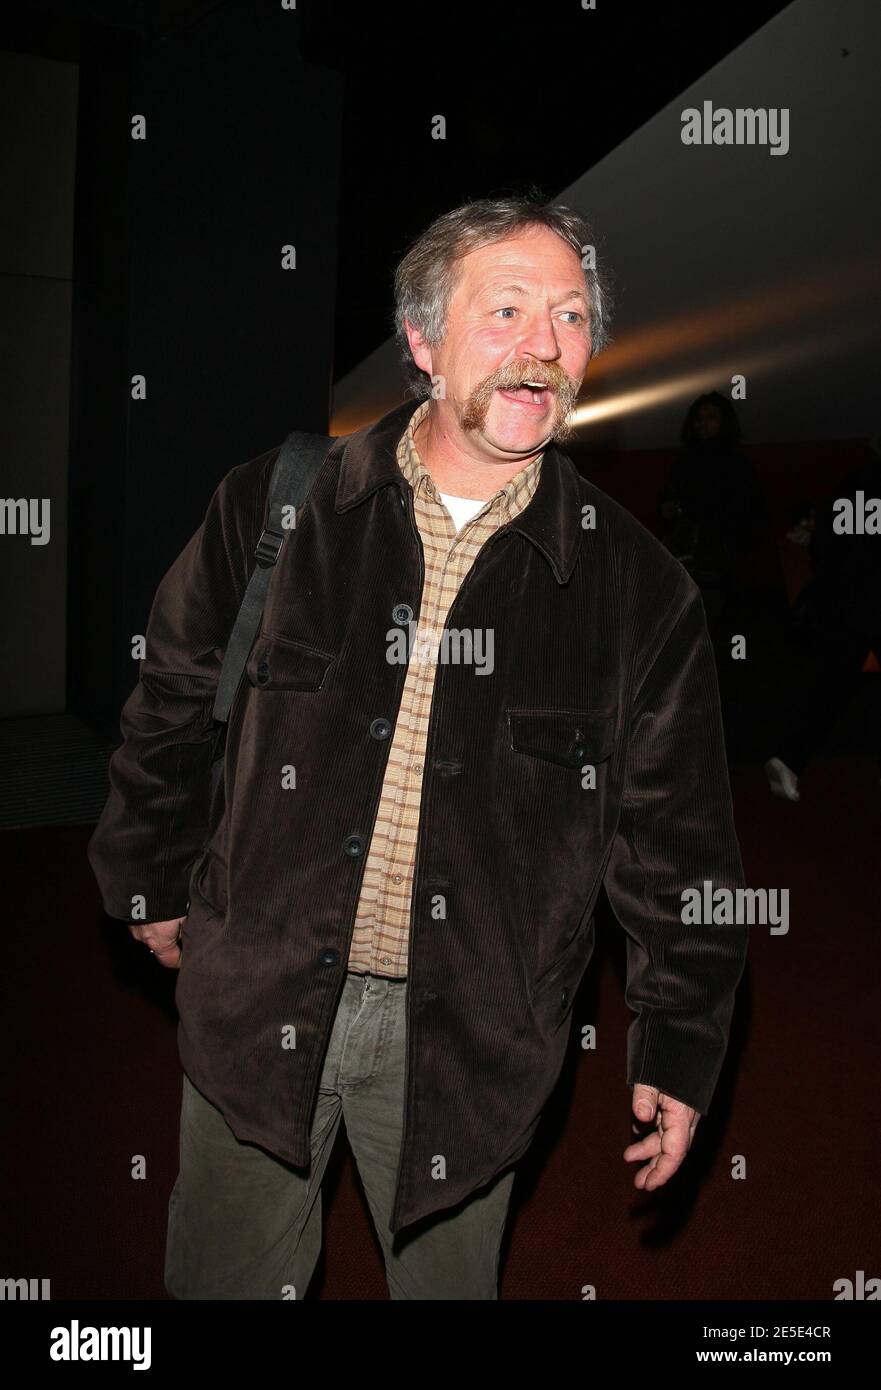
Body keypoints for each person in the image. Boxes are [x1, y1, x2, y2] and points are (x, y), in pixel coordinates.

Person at [87, 195, 750, 1301]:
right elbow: (171, 694)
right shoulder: (278, 507)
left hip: (473, 1042)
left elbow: (677, 846)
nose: (543, 344)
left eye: (571, 316)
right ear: (422, 344)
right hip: (259, 996)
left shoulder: (638, 591)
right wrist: (149, 873)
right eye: (505, 310)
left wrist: (680, 1046)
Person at [764, 438, 881, 801]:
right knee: (835, 684)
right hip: (863, 598)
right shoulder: (865, 484)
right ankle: (788, 760)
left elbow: (829, 545)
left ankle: (788, 760)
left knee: (833, 685)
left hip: (850, 601)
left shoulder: (860, 482)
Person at [657, 392, 766, 639]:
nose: (703, 423)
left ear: (724, 422)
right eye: (699, 418)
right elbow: (667, 505)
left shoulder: (737, 465)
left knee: (709, 626)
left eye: (712, 417)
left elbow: (747, 514)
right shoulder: (684, 462)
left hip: (718, 560)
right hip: (684, 557)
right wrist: (669, 509)